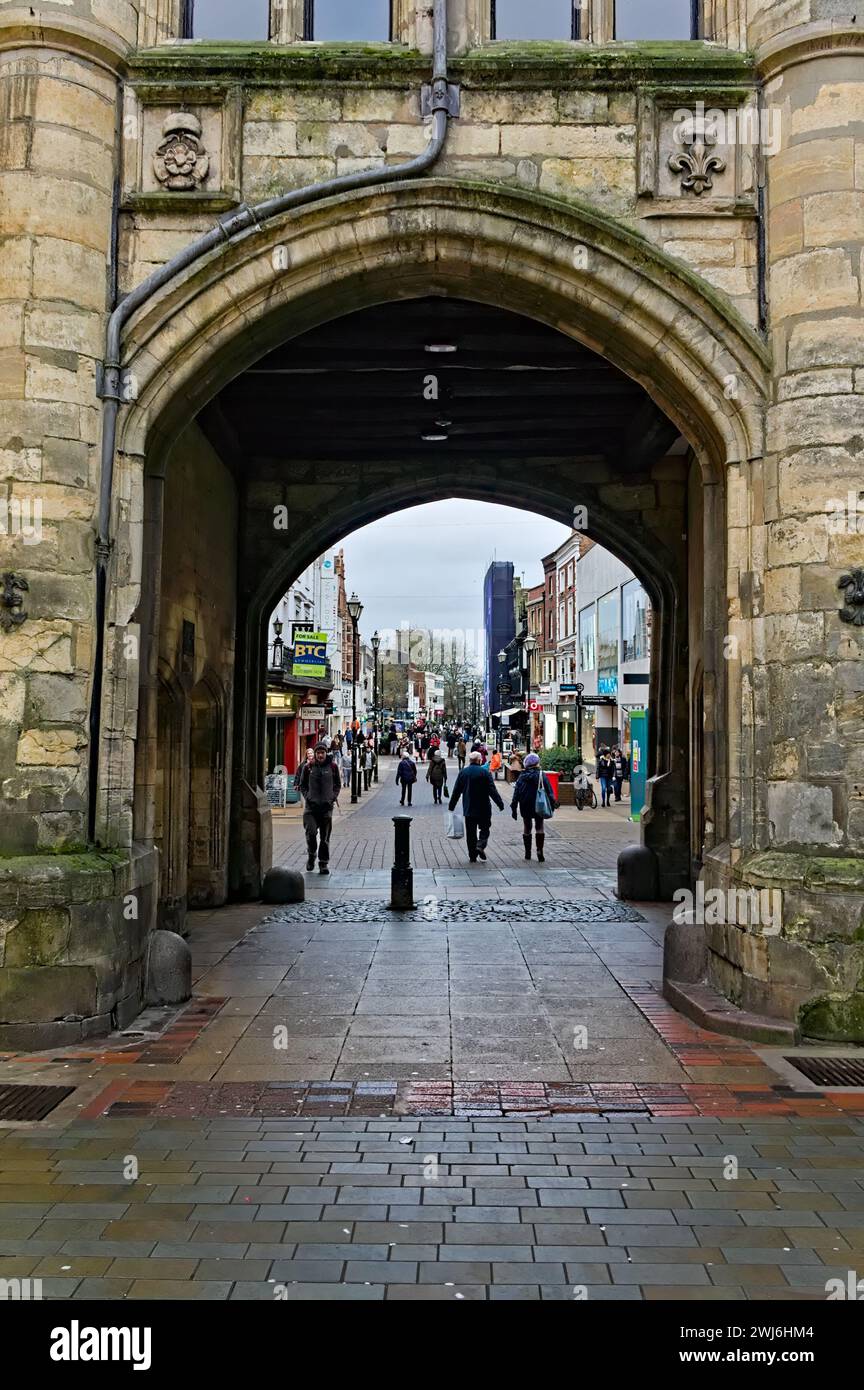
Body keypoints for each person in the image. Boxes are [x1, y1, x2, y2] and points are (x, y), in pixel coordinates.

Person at [448, 750, 505, 863]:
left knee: (471, 832)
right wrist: (500, 803)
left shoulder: (463, 773)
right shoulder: (485, 773)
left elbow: (456, 791)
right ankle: (480, 845)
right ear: (479, 760)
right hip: (484, 807)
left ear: (470, 760)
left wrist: (452, 805)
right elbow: (492, 790)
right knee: (485, 828)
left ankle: (472, 855)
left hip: (469, 807)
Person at [298, 742, 340, 874]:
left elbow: (338, 784)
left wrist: (332, 797)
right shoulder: (308, 767)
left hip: (326, 808)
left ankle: (323, 863)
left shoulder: (332, 766)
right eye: (318, 753)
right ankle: (311, 855)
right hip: (311, 809)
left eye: (322, 752)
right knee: (311, 833)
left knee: (325, 839)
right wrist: (308, 797)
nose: (320, 755)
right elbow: (302, 785)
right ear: (315, 754)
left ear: (325, 753)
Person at [510, 752, 559, 862]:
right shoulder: (541, 775)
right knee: (539, 826)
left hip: (525, 803)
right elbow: (549, 790)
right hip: (539, 803)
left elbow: (516, 792)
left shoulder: (522, 776)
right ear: (537, 763)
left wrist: (514, 806)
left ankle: (527, 853)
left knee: (527, 827)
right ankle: (539, 850)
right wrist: (553, 802)